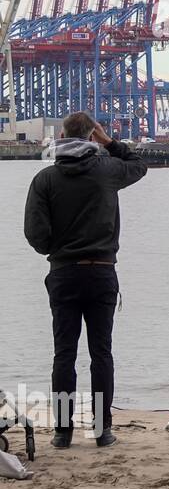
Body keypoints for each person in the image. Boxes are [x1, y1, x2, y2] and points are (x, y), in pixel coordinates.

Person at [24, 112, 147, 448]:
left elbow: (34, 234)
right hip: (102, 270)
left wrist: (57, 249)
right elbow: (139, 164)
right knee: (101, 353)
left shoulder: (45, 179)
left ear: (62, 134)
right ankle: (101, 429)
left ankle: (63, 432)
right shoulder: (107, 171)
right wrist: (110, 142)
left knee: (63, 354)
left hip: (63, 272)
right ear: (93, 136)